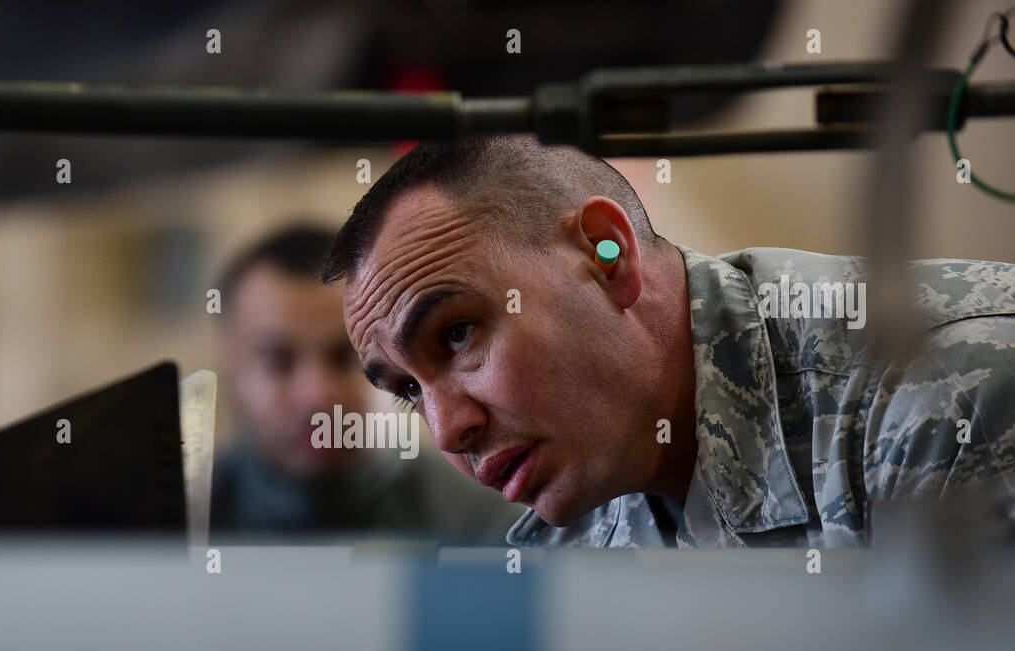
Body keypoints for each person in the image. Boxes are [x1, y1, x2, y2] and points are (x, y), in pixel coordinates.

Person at [320, 134, 1015, 547]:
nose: (448, 429)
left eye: (459, 333)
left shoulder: (945, 399)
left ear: (607, 254)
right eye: (408, 389)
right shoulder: (575, 527)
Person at [210, 224, 520, 543]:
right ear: (231, 369)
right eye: (277, 361)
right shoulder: (172, 525)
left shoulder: (491, 530)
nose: (316, 395)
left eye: (347, 356)